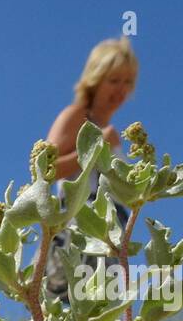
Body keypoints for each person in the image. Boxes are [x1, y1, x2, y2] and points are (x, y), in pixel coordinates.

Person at [43, 37, 138, 300]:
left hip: (113, 230)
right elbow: (45, 170)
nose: (121, 90)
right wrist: (95, 147)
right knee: (66, 310)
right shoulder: (75, 116)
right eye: (114, 80)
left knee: (105, 315)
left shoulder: (115, 134)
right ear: (95, 79)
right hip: (77, 221)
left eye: (128, 82)